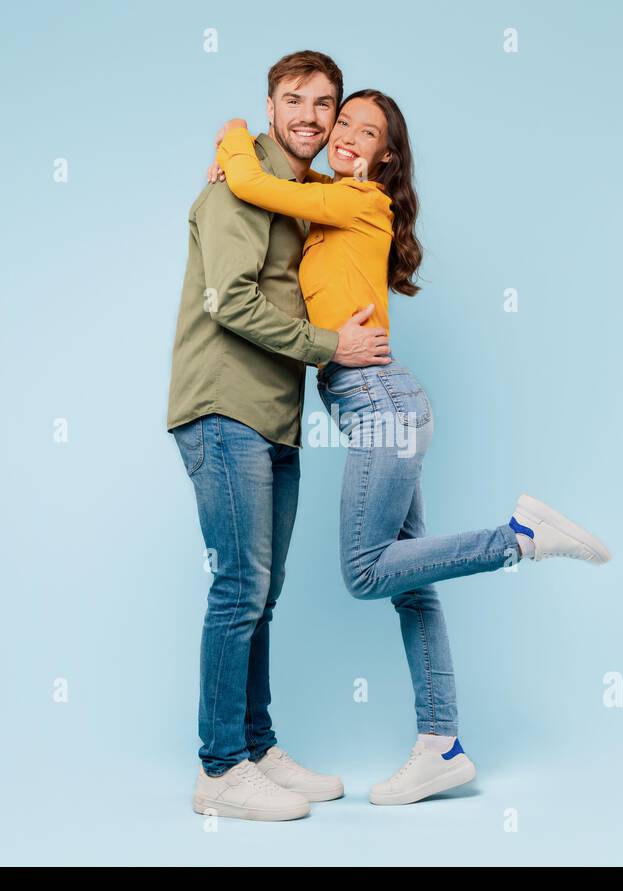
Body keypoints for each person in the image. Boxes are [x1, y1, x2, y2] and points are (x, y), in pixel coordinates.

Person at [211, 89, 612, 806]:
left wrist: (235, 132)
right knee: (410, 583)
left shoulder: (361, 201)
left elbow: (251, 182)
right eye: (344, 124)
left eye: (368, 132)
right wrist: (233, 167)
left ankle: (518, 538)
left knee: (366, 571)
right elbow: (260, 194)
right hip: (387, 402)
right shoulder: (321, 206)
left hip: (378, 401)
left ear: (384, 156)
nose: (347, 136)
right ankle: (442, 744)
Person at [167, 51, 391, 822]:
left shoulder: (302, 195)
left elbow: (355, 201)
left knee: (263, 594)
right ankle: (220, 769)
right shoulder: (238, 190)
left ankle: (256, 747)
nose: (311, 115)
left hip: (274, 418)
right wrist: (334, 347)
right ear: (270, 108)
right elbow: (228, 301)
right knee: (239, 588)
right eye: (295, 100)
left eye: (324, 104)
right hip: (224, 407)